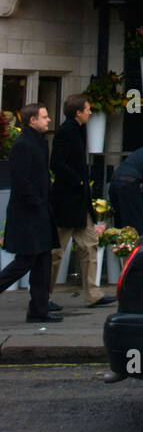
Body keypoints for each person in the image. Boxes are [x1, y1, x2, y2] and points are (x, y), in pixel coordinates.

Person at [49, 93, 115, 308]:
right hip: (67, 201)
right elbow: (57, 163)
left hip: (79, 202)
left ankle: (93, 293)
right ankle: (43, 295)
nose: (90, 112)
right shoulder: (66, 132)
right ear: (78, 112)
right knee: (56, 251)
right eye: (87, 109)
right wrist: (77, 181)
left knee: (90, 245)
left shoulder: (78, 130)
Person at [0, 103, 62, 322]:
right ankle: (38, 309)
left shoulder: (38, 143)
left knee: (42, 262)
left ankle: (39, 310)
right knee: (25, 261)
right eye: (44, 117)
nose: (48, 120)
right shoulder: (23, 145)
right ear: (32, 120)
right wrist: (36, 202)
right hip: (28, 214)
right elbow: (21, 180)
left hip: (39, 210)